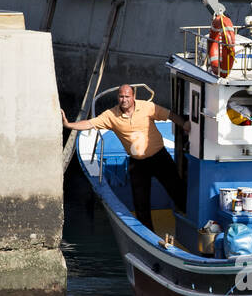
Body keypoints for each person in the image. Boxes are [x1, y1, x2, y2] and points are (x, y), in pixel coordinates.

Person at [63, 85, 190, 233]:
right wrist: (68, 124)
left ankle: (190, 220)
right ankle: (148, 234)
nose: (124, 100)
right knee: (140, 202)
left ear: (133, 97)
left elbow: (169, 115)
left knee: (177, 190)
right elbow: (90, 123)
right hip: (137, 163)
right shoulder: (111, 115)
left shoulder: (147, 107)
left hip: (159, 157)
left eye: (127, 96)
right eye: (121, 97)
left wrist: (184, 124)